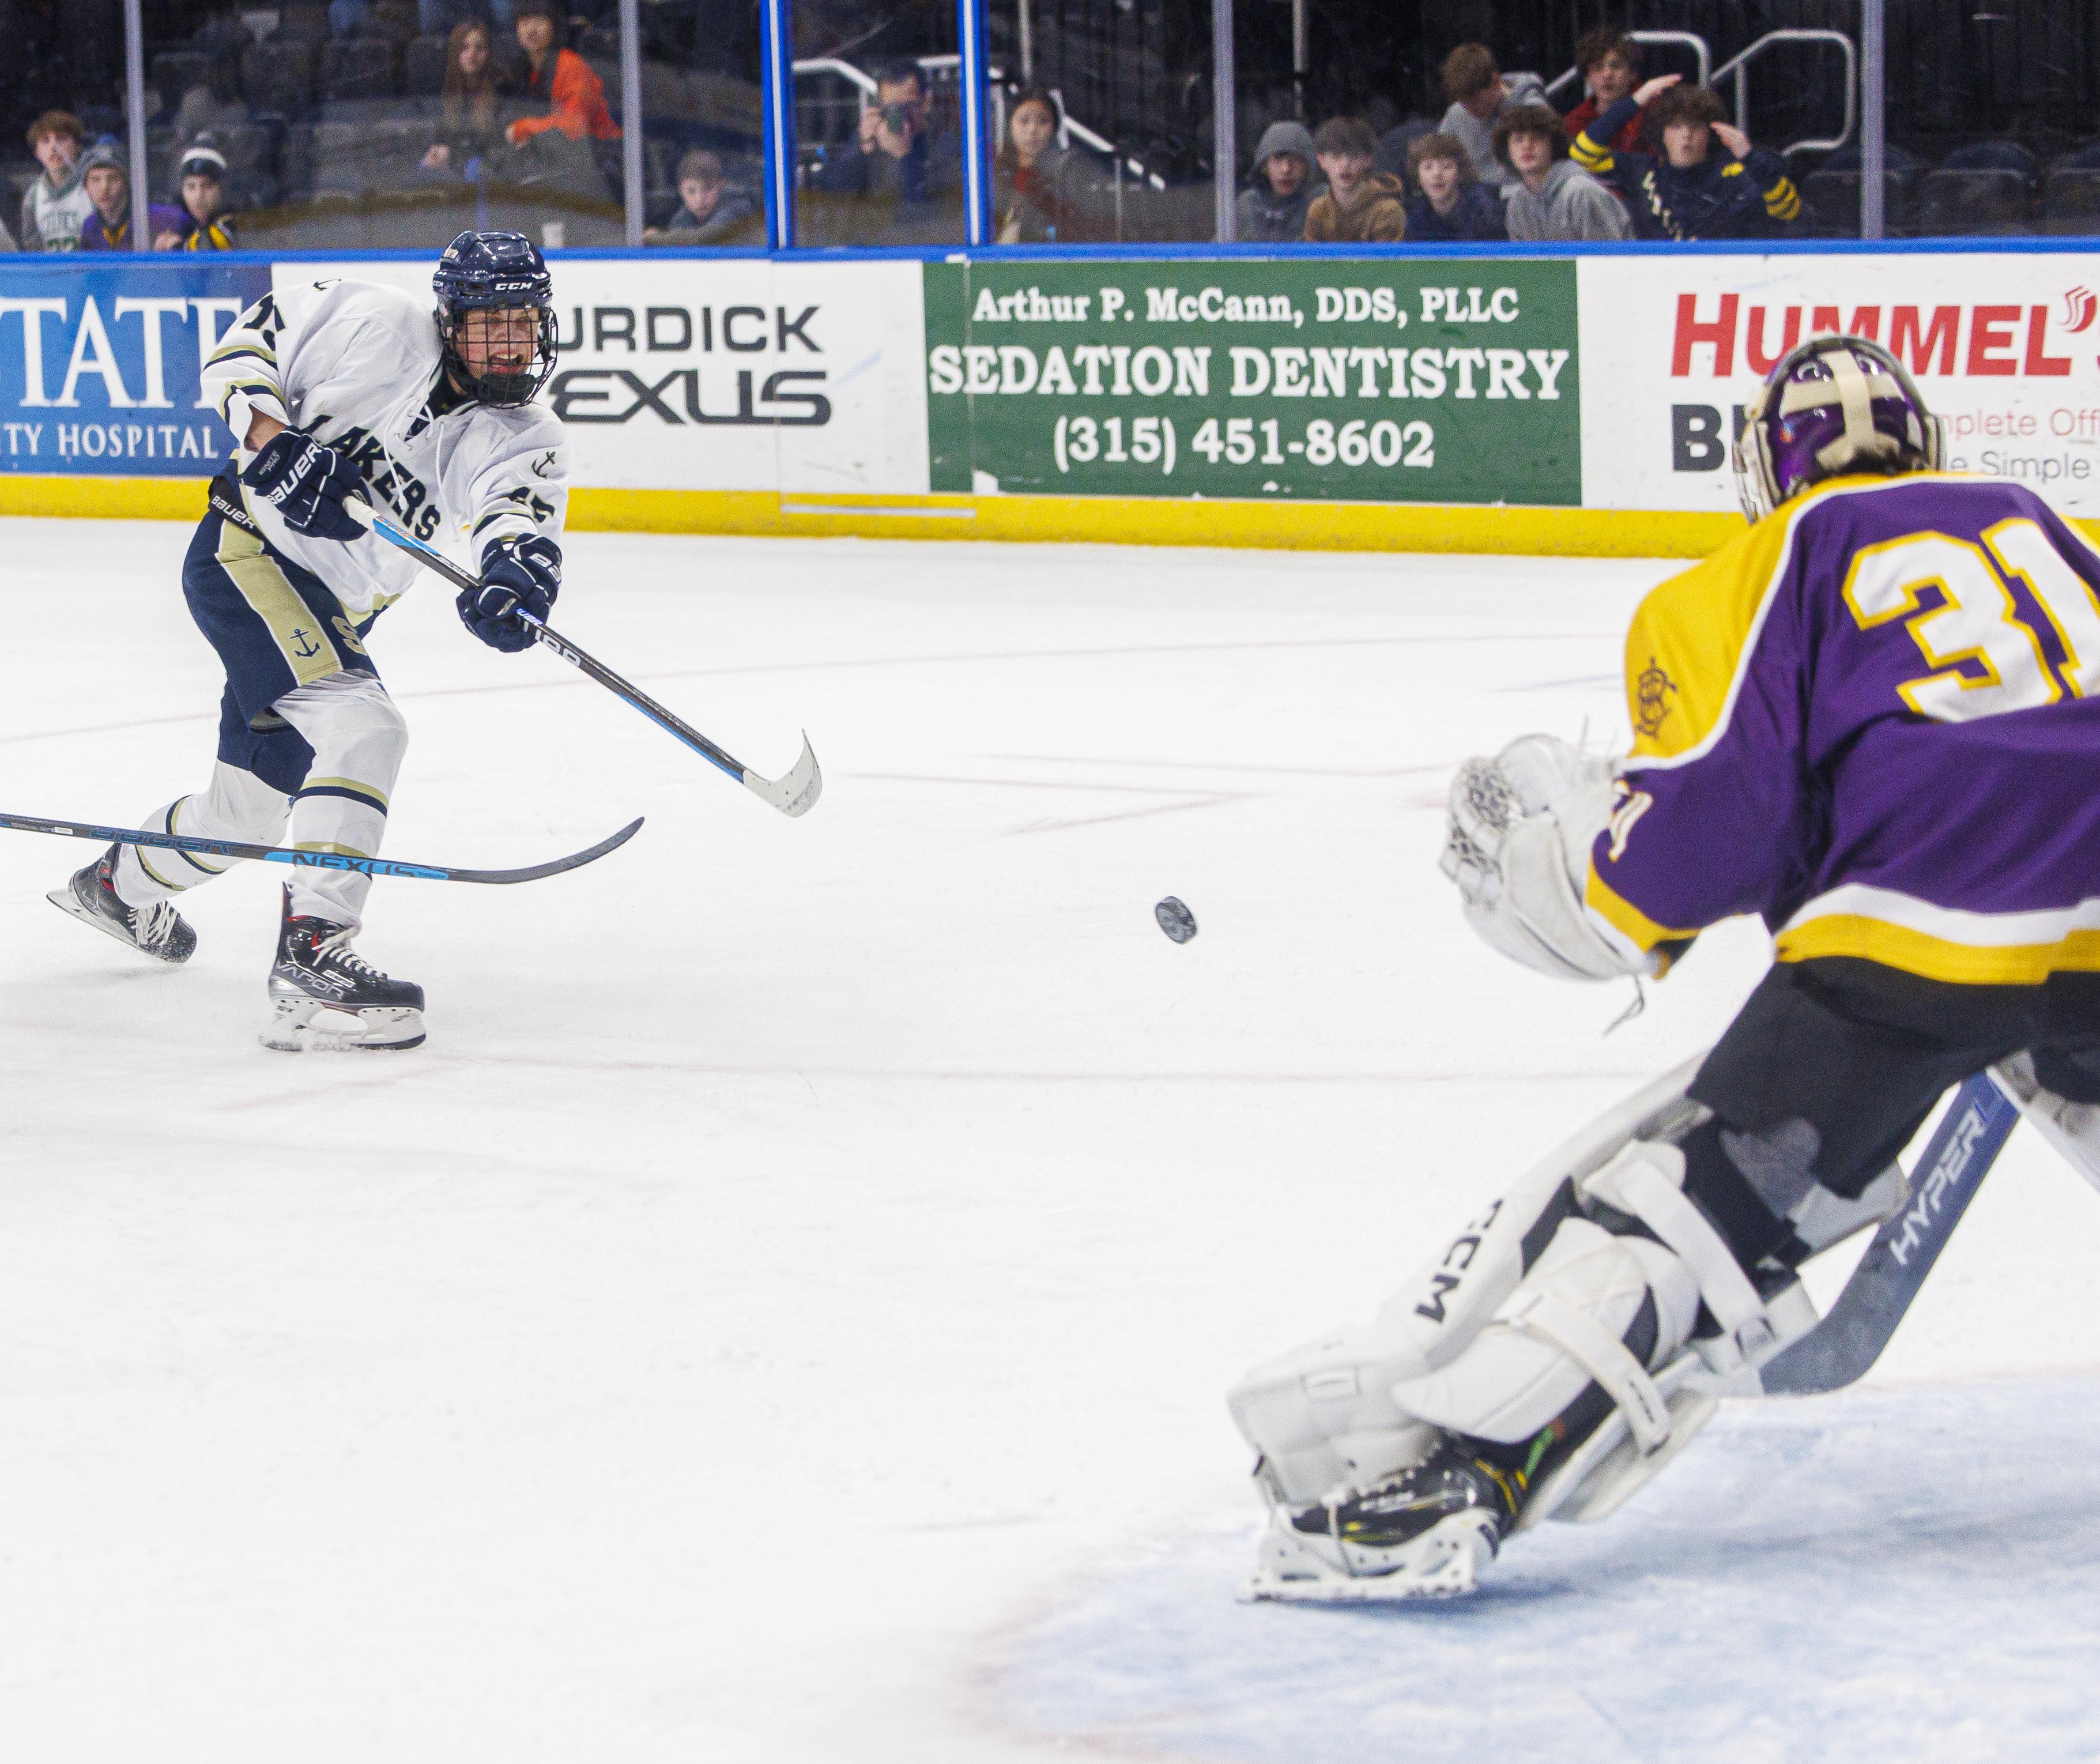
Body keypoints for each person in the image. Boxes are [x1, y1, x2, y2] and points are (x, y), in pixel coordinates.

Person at [1228, 333, 2100, 1602]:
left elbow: (1688, 850)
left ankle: (1460, 1476)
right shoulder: (2043, 525)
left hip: (1925, 920)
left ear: (1764, 469)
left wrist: (1565, 868)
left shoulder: (1769, 559)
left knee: (1682, 1210)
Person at [46, 232, 570, 1054]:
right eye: (490, 324)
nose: (510, 344)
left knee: (245, 814)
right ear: (450, 317)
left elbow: (517, 517)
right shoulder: (374, 321)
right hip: (249, 555)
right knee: (367, 727)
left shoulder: (525, 432)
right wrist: (274, 442)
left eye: (524, 323)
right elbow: (242, 351)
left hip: (332, 616)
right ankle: (314, 953)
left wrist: (513, 575)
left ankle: (113, 887)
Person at [1572, 74, 1804, 240]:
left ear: (1710, 133)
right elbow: (1583, 153)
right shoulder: (1641, 170)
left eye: (1695, 127)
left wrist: (1749, 156)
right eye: (1675, 127)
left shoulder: (1734, 174)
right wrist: (1638, 99)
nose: (1686, 135)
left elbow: (1790, 212)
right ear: (1661, 134)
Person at [811, 62, 959, 240]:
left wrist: (904, 157)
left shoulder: (944, 145)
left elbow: (930, 214)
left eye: (907, 107)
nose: (899, 116)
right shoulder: (871, 138)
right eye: (891, 109)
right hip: (869, 241)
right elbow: (832, 192)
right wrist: (862, 149)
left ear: (925, 103)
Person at [1496, 104, 1632, 242]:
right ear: (1507, 149)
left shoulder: (1582, 193)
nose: (1527, 146)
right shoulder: (1517, 203)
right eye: (1518, 139)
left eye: (1537, 138)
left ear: (1554, 145)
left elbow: (1607, 253)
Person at [504, 0, 621, 151]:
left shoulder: (571, 65)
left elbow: (574, 126)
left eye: (540, 22)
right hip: (561, 152)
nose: (531, 30)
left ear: (555, 27)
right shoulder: (524, 69)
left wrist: (524, 128)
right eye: (525, 23)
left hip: (601, 152)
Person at [1437, 43, 1546, 193]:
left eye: (1477, 101)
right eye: (1465, 104)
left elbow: (1545, 173)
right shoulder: (1455, 115)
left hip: (1524, 197)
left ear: (1495, 81)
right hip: (1476, 201)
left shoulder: (1532, 109)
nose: (1472, 110)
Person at [421, 18, 506, 176]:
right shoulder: (443, 86)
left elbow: (498, 146)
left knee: (473, 170)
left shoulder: (502, 86)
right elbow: (437, 132)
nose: (472, 54)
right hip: (454, 158)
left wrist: (453, 154)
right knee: (425, 164)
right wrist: (436, 151)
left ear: (489, 53)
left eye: (479, 48)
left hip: (490, 164)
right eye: (464, 48)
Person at [1303, 116, 1405, 243]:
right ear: (1322, 161)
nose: (1345, 165)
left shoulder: (1388, 211)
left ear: (1368, 160)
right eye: (1336, 156)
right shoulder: (1318, 210)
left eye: (1354, 156)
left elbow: (1386, 257)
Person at [77, 138, 186, 251]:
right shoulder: (90, 225)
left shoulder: (160, 218)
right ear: (86, 187)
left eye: (113, 178)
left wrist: (181, 245)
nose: (104, 188)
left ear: (126, 183)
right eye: (95, 180)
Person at [994, 89, 1073, 243]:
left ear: (1054, 128)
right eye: (1024, 121)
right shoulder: (995, 174)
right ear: (1010, 124)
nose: (1032, 130)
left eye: (1043, 122)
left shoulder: (1064, 174)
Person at [1560, 29, 1649, 156]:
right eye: (1598, 68)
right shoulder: (1575, 122)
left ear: (1633, 74)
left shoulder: (1653, 111)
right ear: (1587, 78)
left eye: (1616, 66)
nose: (1607, 75)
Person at [643, 148, 760, 243]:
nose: (700, 199)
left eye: (708, 189)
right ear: (681, 191)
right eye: (691, 191)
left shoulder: (736, 209)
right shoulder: (682, 218)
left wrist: (654, 238)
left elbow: (702, 238)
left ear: (721, 186)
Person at [1403, 133, 1505, 242]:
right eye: (1428, 167)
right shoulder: (1416, 220)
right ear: (1418, 178)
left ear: (1460, 174)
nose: (1437, 173)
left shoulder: (1485, 211)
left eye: (1446, 166)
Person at [1237, 120, 1321, 242]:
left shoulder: (1321, 203)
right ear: (1264, 166)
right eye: (1277, 159)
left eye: (1296, 160)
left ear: (1308, 166)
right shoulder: (1249, 204)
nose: (1286, 169)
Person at [20, 111, 89, 252]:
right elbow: (31, 246)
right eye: (46, 141)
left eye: (62, 139)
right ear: (37, 153)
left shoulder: (95, 182)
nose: (54, 147)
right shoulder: (34, 194)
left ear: (78, 146)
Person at [156, 138, 239, 250]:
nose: (198, 195)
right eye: (190, 186)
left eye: (207, 186)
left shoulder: (231, 223)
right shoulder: (184, 224)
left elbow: (209, 249)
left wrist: (175, 247)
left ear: (221, 190)